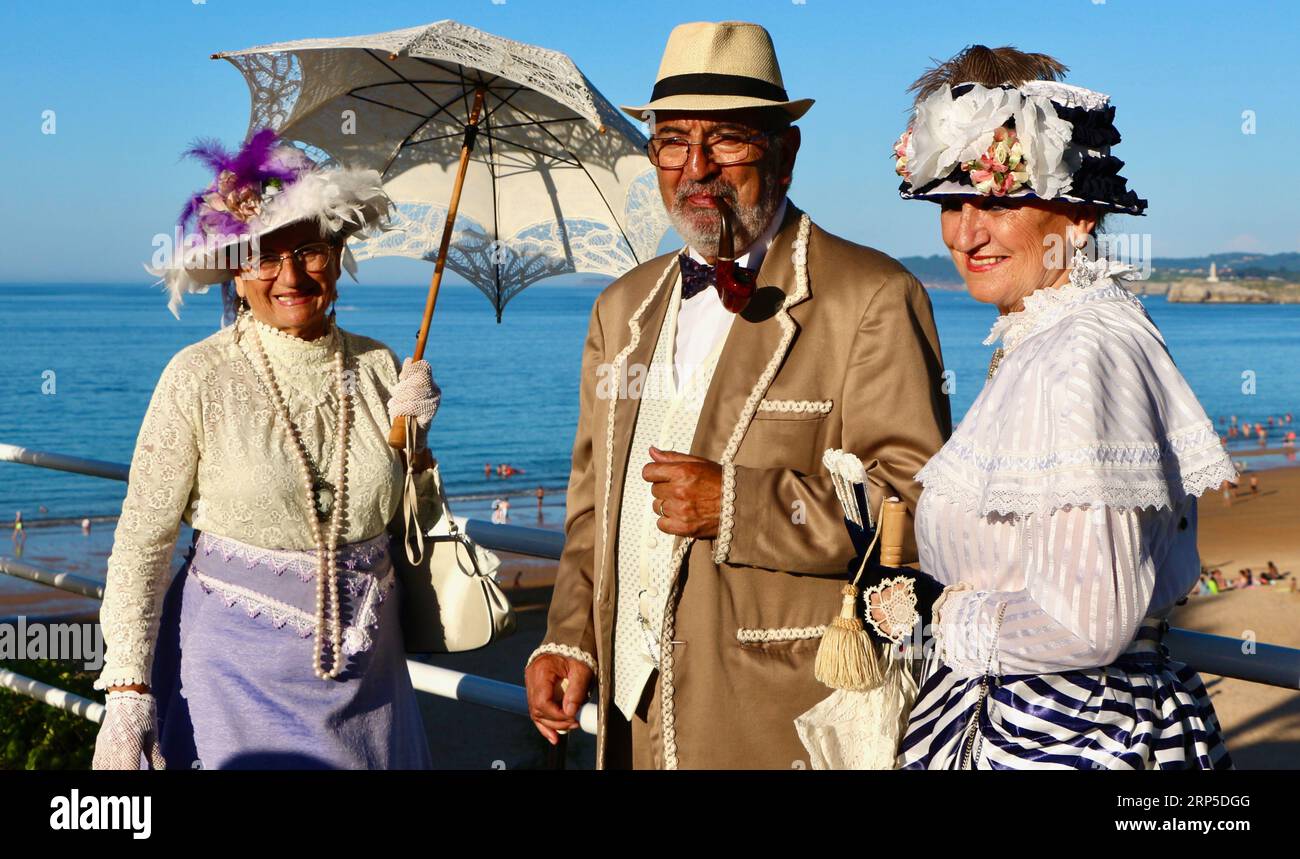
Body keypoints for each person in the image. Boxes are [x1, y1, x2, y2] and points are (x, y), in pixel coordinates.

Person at [524, 20, 951, 769]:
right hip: (627, 721)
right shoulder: (619, 308)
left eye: (726, 139)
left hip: (776, 721)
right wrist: (569, 637)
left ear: (784, 152)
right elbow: (593, 503)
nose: (697, 168)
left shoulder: (873, 297)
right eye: (672, 140)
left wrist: (735, 505)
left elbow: (916, 512)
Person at [885, 46, 1236, 769]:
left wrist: (935, 617)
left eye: (997, 198)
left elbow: (1089, 622)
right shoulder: (1047, 336)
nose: (964, 232)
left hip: (1069, 739)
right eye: (950, 202)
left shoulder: (1082, 353)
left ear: (1077, 215)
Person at [91, 131, 443, 770]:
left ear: (336, 256)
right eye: (264, 255)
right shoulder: (197, 375)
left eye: (309, 251)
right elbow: (143, 539)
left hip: (372, 679)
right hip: (230, 680)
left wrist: (415, 445)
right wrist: (126, 690)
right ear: (234, 265)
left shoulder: (380, 366)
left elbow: (406, 522)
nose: (290, 276)